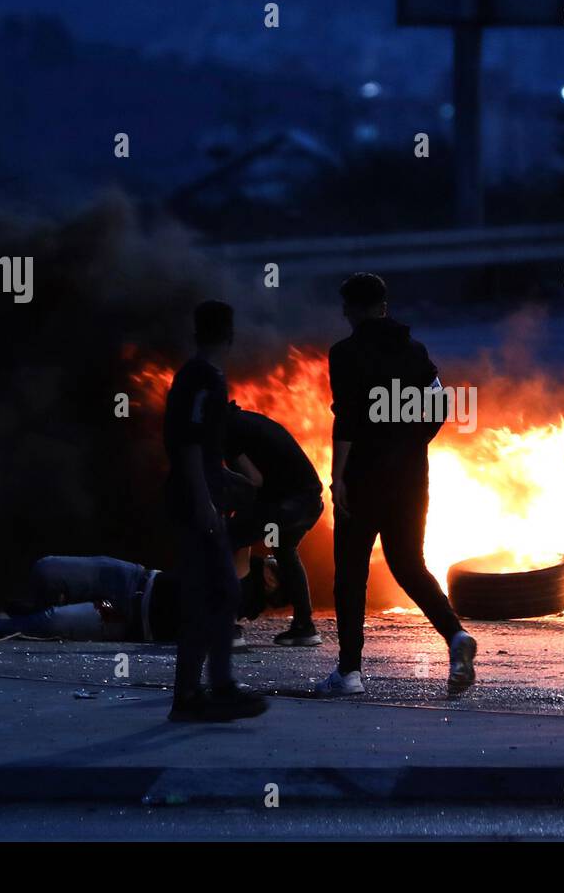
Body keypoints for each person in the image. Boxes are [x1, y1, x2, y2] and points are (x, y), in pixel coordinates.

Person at [322, 272, 476, 696]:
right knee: (409, 564)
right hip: (411, 476)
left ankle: (349, 673)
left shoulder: (344, 353)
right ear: (384, 307)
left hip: (364, 478)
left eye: (346, 307)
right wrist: (414, 442)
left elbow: (347, 419)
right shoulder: (415, 350)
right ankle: (456, 635)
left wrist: (337, 477)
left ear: (351, 310)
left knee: (350, 574)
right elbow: (441, 402)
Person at [162, 300, 267, 722]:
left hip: (196, 495)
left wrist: (226, 481)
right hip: (195, 504)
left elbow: (197, 450)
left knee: (212, 594)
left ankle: (198, 693)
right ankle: (211, 690)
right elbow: (189, 444)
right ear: (230, 336)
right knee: (220, 592)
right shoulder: (206, 378)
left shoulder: (191, 375)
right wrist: (204, 499)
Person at [225, 402, 325, 646]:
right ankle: (304, 626)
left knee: (230, 539)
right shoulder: (244, 421)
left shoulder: (226, 430)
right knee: (283, 550)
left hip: (286, 506)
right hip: (308, 503)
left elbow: (253, 480)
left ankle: (227, 626)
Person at [0, 556, 178, 642]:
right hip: (136, 578)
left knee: (52, 621)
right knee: (46, 568)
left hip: (122, 615)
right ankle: (35, 612)